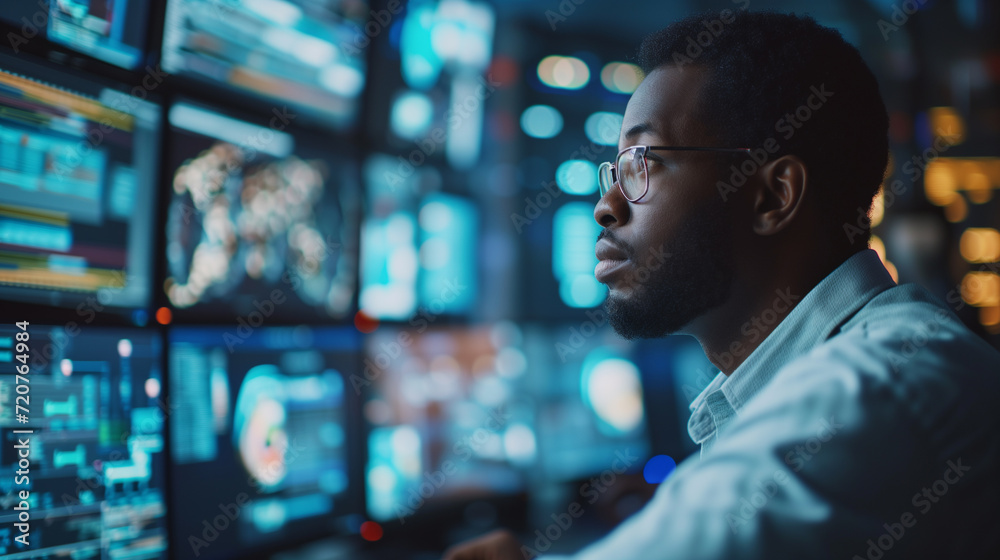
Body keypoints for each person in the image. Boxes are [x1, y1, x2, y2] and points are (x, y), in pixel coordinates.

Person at [443, 10, 1000, 560]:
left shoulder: (882, 386)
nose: (606, 207)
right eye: (615, 170)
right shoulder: (795, 388)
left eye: (643, 162)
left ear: (773, 195)